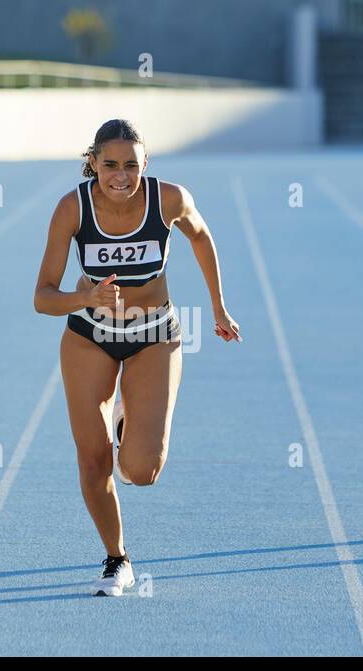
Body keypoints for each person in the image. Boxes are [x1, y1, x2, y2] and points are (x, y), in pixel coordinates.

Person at [33, 119, 241, 595]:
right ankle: (116, 558)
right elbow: (43, 296)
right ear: (93, 164)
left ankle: (127, 422)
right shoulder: (72, 208)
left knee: (143, 471)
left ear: (146, 165)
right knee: (92, 461)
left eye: (131, 165)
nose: (121, 176)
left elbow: (201, 236)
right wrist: (84, 300)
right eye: (110, 165)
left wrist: (218, 306)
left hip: (154, 335)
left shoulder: (169, 199)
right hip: (89, 336)